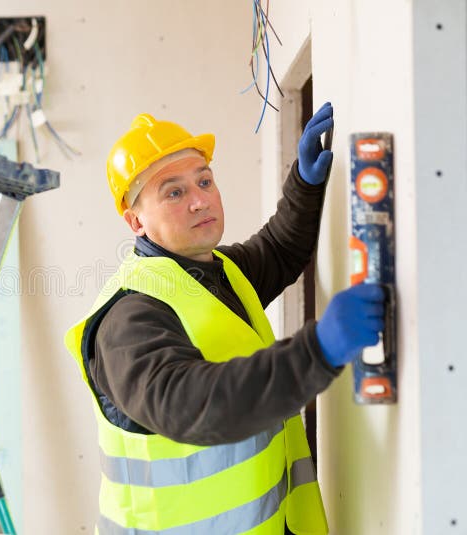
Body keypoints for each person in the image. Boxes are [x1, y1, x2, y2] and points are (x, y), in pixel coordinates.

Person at [64, 104, 386, 535]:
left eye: (204, 180)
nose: (200, 200)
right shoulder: (129, 317)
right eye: (174, 192)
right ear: (135, 220)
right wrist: (318, 350)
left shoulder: (216, 271)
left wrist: (305, 183)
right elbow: (191, 406)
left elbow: (277, 251)